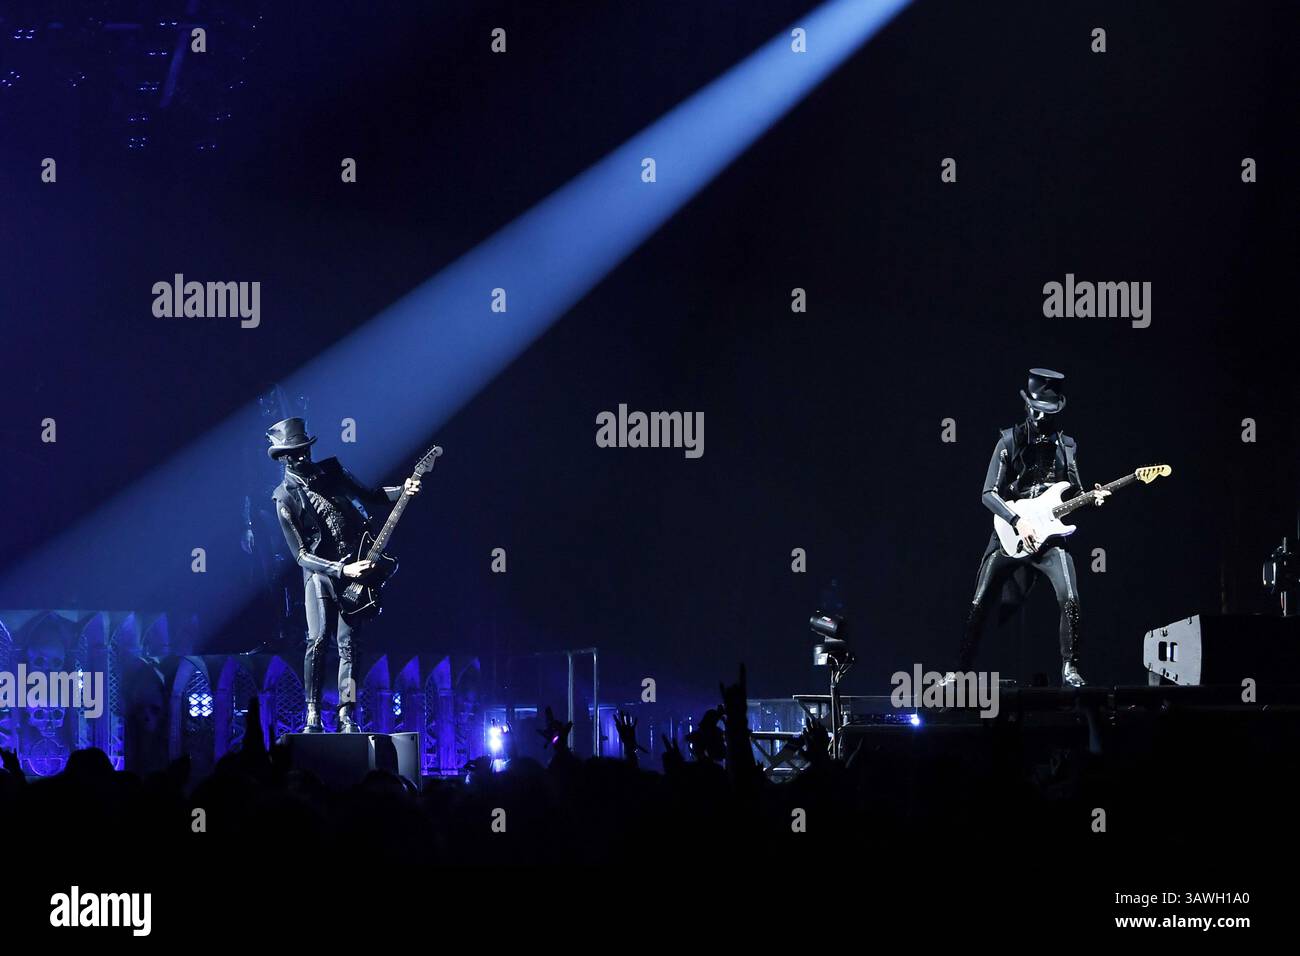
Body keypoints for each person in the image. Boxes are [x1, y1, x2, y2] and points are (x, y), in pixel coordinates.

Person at [266, 417, 420, 732]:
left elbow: (371, 495)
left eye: (304, 450)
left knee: (349, 645)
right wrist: (339, 568)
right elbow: (300, 555)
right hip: (321, 573)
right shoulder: (284, 496)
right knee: (319, 639)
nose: (302, 457)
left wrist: (401, 490)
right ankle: (312, 713)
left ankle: (346, 711)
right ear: (282, 457)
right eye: (294, 453)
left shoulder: (333, 472)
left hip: (353, 570)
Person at [956, 369, 1108, 688]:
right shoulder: (1008, 441)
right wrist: (1017, 520)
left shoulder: (1067, 446)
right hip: (1010, 534)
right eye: (1038, 410)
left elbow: (1076, 491)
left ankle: (1071, 669)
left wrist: (1092, 498)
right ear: (1027, 405)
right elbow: (988, 493)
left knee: (1071, 597)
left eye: (1049, 412)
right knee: (979, 601)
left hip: (1050, 537)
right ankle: (961, 670)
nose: (1042, 417)